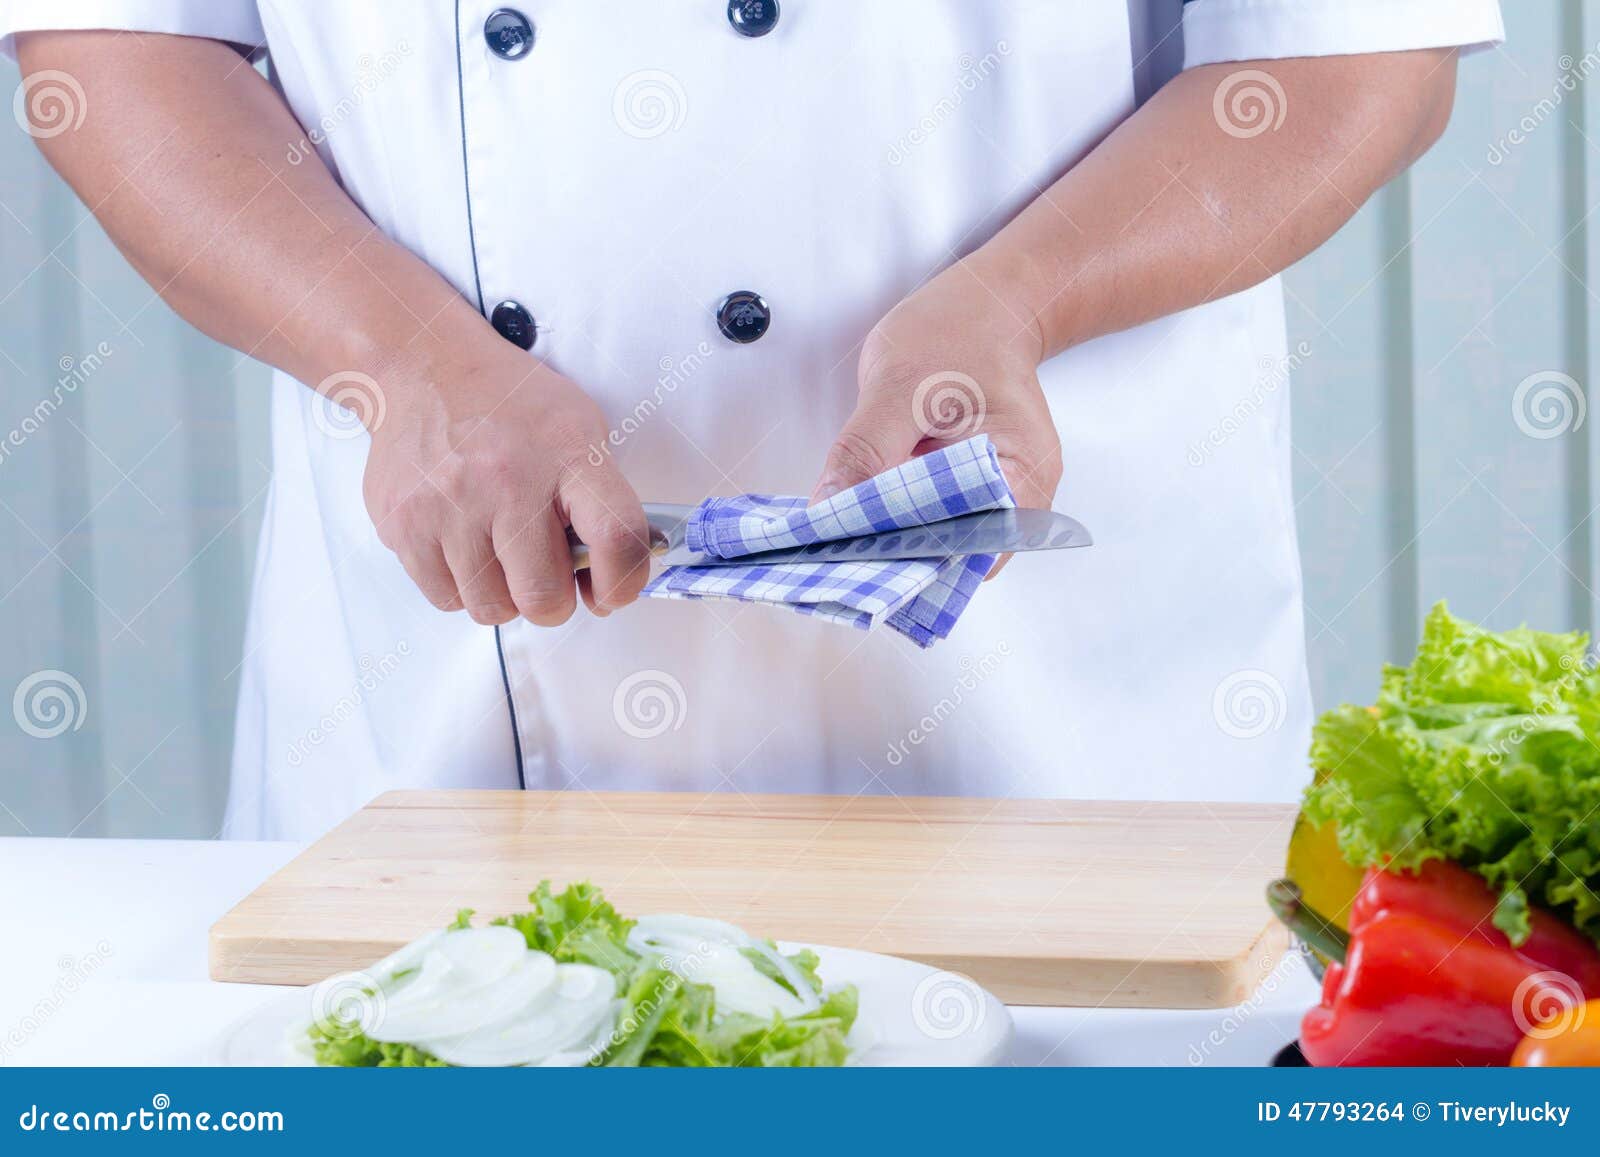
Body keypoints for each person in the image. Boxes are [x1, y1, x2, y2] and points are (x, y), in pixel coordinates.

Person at [6, 2, 1504, 840]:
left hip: (1060, 744)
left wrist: (1022, 300)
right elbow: (116, 46)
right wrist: (398, 359)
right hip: (449, 736)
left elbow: (1356, 49)